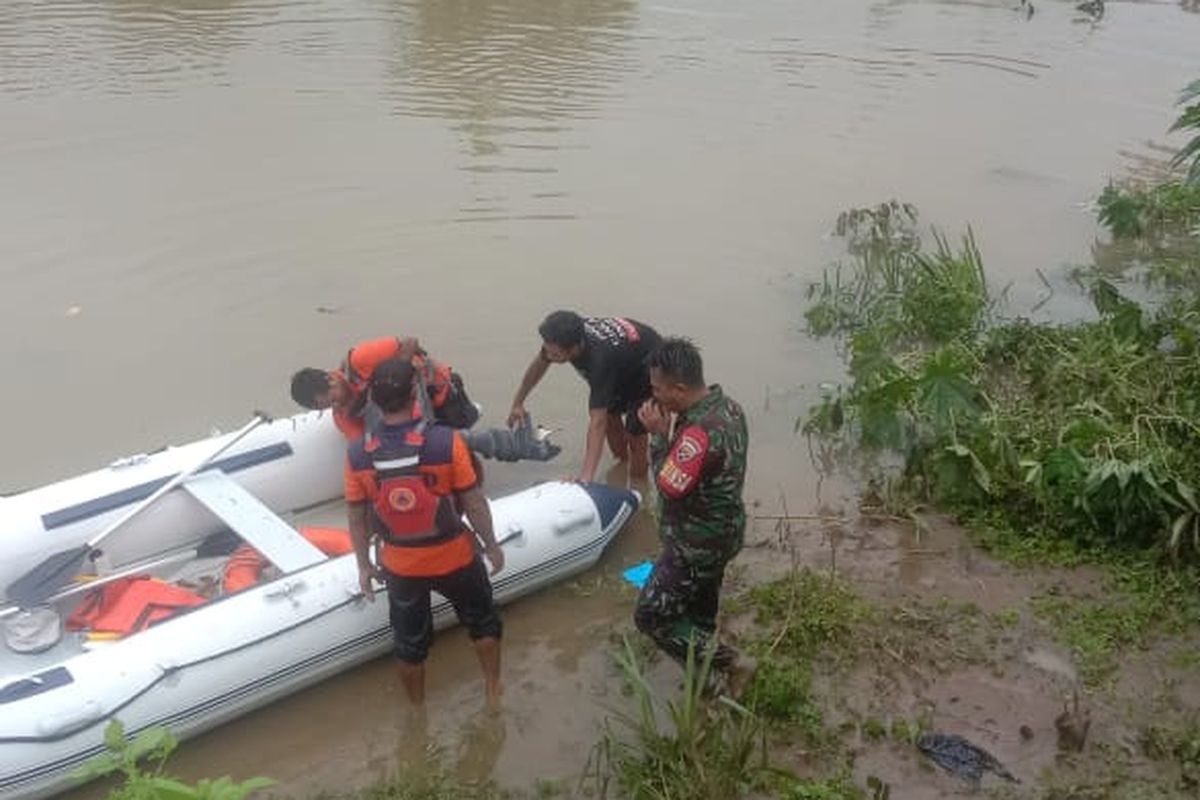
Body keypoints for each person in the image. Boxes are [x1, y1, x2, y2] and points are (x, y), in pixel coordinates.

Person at [344, 357, 505, 707]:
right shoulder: (445, 441)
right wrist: (491, 544)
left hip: (401, 565)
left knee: (409, 645)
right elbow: (473, 501)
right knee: (483, 624)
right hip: (455, 557)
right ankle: (493, 690)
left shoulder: (357, 453)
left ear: (373, 399)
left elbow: (357, 517)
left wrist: (364, 566)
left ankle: (417, 711)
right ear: (415, 394)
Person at [634, 337, 756, 697]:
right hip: (724, 531)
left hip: (695, 544)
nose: (654, 396)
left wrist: (659, 437)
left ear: (679, 389)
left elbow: (669, 486)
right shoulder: (729, 407)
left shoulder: (698, 434)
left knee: (651, 616)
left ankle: (733, 663)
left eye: (657, 389)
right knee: (699, 614)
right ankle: (706, 688)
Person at [507, 311, 660, 483]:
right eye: (547, 350)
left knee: (635, 431)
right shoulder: (562, 336)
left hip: (647, 365)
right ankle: (622, 465)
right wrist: (518, 403)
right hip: (621, 358)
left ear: (575, 348)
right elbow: (539, 365)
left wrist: (586, 477)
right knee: (611, 419)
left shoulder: (599, 361)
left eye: (555, 355)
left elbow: (597, 422)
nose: (549, 357)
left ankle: (639, 484)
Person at [291, 335, 479, 440]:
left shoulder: (359, 359)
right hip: (410, 420)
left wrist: (399, 375)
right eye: (329, 407)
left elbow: (410, 342)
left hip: (440, 396)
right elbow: (364, 448)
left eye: (333, 400)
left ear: (331, 379)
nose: (337, 408)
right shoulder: (344, 417)